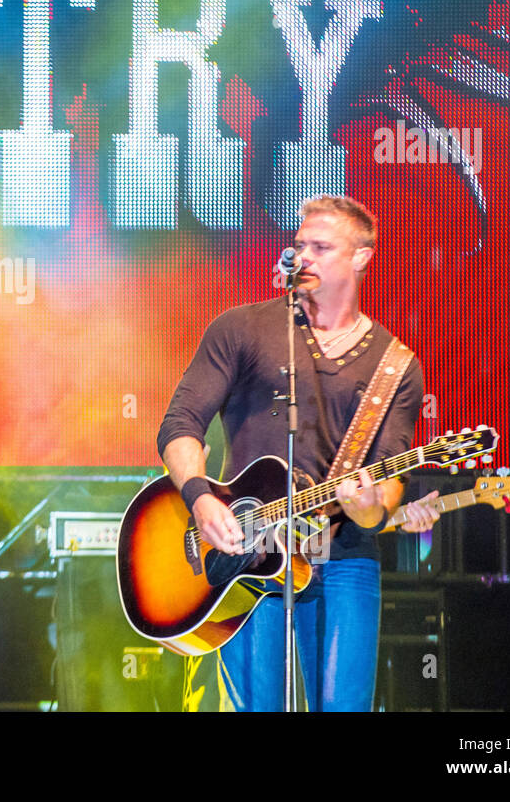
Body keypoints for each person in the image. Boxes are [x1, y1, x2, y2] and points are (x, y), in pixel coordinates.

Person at [156, 195, 439, 711]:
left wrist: (368, 506)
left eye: (321, 247)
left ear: (361, 257)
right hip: (247, 559)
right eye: (299, 244)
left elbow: (387, 488)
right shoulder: (241, 329)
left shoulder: (395, 365)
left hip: (343, 558)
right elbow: (180, 424)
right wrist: (200, 498)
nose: (303, 255)